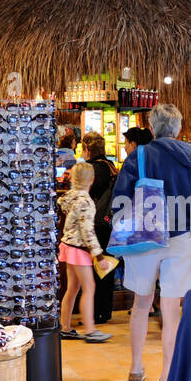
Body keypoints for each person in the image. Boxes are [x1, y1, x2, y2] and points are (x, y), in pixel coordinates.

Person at [111, 103, 191, 381]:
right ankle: (167, 377)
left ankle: (135, 367)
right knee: (171, 310)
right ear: (178, 128)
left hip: (145, 237)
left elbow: (120, 197)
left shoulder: (138, 155)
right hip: (181, 239)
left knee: (141, 305)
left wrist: (121, 224)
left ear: (152, 128)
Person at [58, 163, 111, 343]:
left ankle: (65, 326)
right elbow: (88, 231)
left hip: (68, 246)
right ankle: (90, 329)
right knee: (89, 288)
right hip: (79, 249)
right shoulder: (86, 202)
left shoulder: (69, 198)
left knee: (72, 289)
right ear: (92, 180)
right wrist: (99, 256)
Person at [82, 132, 118, 324]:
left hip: (95, 222)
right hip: (109, 221)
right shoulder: (110, 166)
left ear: (88, 149)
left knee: (95, 267)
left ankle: (95, 312)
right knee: (107, 265)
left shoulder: (92, 169)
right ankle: (105, 311)